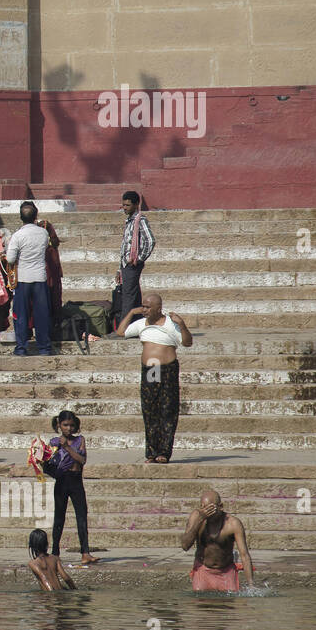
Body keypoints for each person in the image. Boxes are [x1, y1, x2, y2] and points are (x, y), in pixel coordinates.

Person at [117, 292, 192, 463]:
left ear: (159, 308)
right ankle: (151, 452)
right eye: (143, 306)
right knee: (150, 409)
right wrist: (131, 313)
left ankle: (164, 453)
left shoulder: (170, 324)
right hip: (151, 368)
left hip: (167, 369)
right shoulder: (142, 323)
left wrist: (182, 325)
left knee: (167, 409)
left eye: (148, 307)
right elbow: (120, 332)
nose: (144, 310)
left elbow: (188, 342)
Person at [48, 410, 99, 565]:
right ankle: (55, 553)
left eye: (71, 425)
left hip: (76, 482)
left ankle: (85, 553)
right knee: (59, 517)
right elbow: (50, 464)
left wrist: (68, 448)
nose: (68, 428)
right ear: (59, 425)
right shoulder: (54, 442)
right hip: (62, 481)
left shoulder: (80, 440)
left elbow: (82, 460)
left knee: (82, 517)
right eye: (65, 425)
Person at [181, 489, 254, 590]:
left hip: (226, 571)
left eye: (211, 510)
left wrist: (251, 584)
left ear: (221, 507)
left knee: (230, 603)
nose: (208, 514)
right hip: (203, 570)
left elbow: (244, 555)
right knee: (199, 601)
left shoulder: (233, 523)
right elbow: (185, 546)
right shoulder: (197, 517)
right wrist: (200, 520)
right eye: (205, 509)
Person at [6, 201, 53, 356]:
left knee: (21, 314)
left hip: (23, 279)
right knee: (41, 314)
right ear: (35, 216)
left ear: (21, 217)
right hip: (40, 277)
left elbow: (10, 259)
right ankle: (44, 347)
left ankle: (21, 347)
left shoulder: (18, 236)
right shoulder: (43, 233)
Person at [115, 190, 155, 328]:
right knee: (135, 296)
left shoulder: (141, 220)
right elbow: (124, 245)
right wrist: (119, 269)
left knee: (128, 297)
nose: (125, 208)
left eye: (127, 205)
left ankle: (122, 329)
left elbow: (150, 241)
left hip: (133, 265)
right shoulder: (130, 221)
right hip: (125, 265)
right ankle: (138, 325)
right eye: (123, 205)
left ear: (136, 204)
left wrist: (139, 258)